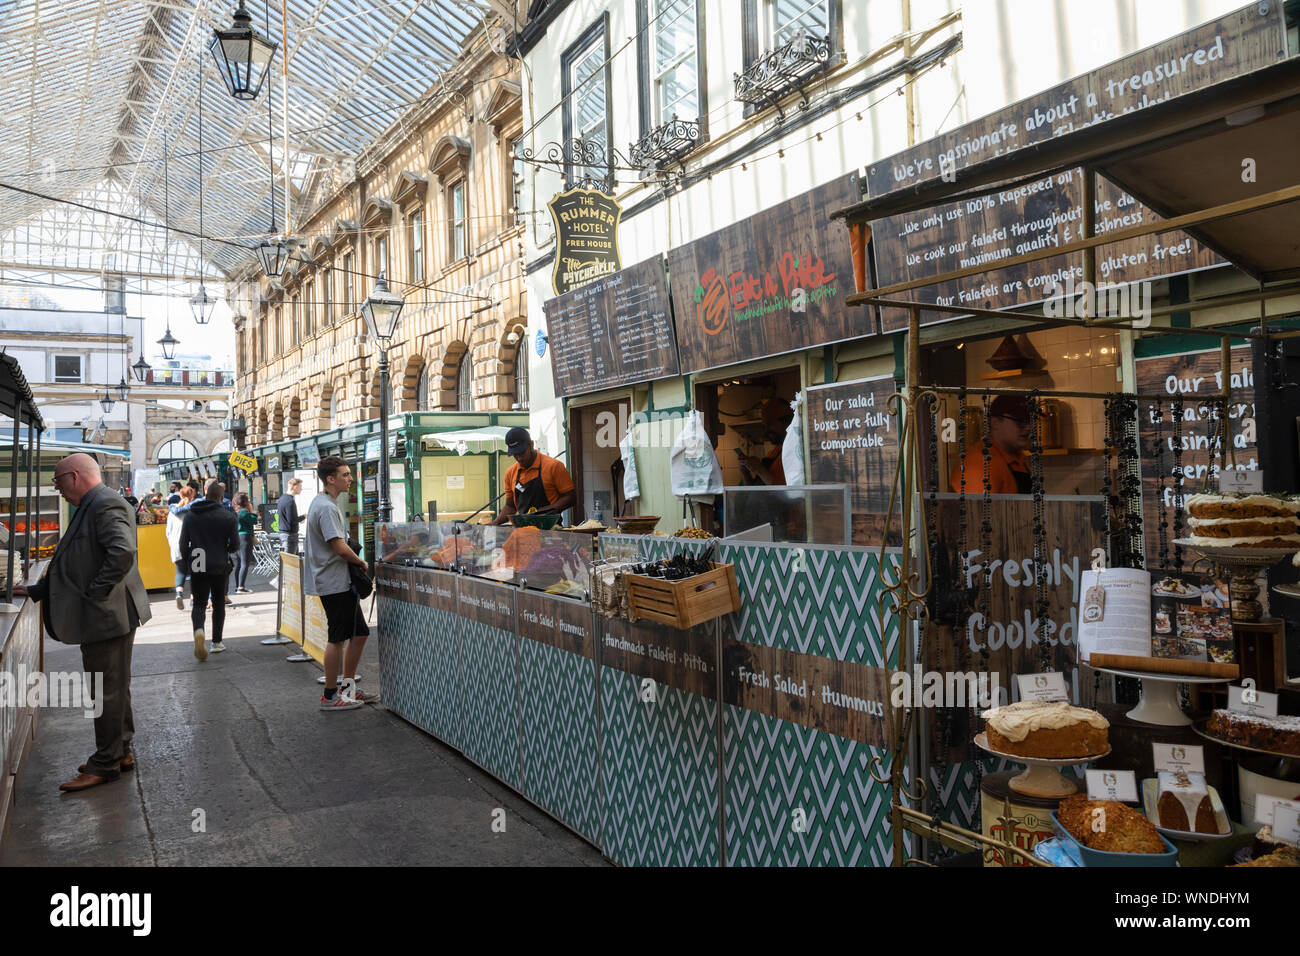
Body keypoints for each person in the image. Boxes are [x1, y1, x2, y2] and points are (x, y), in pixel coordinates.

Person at [14, 453, 152, 792]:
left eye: (58, 481)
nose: (57, 488)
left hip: (107, 615)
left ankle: (104, 764)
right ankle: (119, 751)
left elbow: (121, 552)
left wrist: (95, 594)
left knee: (104, 689)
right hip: (109, 613)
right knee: (114, 687)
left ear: (75, 477)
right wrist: (37, 589)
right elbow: (76, 560)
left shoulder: (104, 504)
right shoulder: (95, 503)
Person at [304, 456, 374, 711]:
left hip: (336, 581)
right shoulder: (326, 507)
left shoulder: (323, 503)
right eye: (345, 475)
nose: (351, 478)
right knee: (337, 637)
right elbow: (339, 547)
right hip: (335, 582)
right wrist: (361, 563)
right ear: (330, 479)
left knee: (359, 634)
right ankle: (330, 695)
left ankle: (346, 690)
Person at [181, 479, 239, 660]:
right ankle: (216, 642)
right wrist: (225, 549)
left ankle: (199, 631)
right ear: (221, 498)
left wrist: (188, 560)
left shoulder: (191, 515)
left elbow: (183, 543)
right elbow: (235, 545)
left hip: (198, 562)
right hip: (219, 563)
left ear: (206, 495)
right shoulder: (227, 516)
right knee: (219, 603)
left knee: (199, 603)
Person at [948, 394, 1032, 494]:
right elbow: (976, 509)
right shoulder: (979, 463)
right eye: (1020, 421)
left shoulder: (1017, 457)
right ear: (995, 422)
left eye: (1030, 421)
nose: (1028, 428)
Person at [490, 427, 576, 525]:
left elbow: (570, 497)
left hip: (551, 531)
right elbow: (510, 506)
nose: (519, 458)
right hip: (524, 532)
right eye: (515, 454)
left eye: (522, 453)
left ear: (531, 445)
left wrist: (541, 512)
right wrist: (494, 524)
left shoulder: (554, 466)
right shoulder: (510, 473)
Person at [736, 398, 793, 486]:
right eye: (764, 426)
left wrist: (759, 469)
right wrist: (745, 472)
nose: (766, 432)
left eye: (770, 425)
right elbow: (753, 492)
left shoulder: (795, 453)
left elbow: (786, 493)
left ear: (786, 422)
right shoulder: (774, 453)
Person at [165, 485, 196, 608]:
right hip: (194, 544)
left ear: (180, 496)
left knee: (180, 571)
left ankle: (179, 593)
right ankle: (193, 599)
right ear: (192, 495)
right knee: (196, 572)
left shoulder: (172, 512)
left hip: (177, 545)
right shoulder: (194, 510)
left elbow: (168, 531)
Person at [233, 491, 257, 594]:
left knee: (239, 563)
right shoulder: (243, 512)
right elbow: (254, 520)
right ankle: (241, 587)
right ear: (244, 501)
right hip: (245, 537)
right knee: (244, 563)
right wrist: (251, 510)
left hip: (238, 537)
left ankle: (238, 585)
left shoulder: (235, 511)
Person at [278, 478, 302, 555]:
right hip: (289, 536)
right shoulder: (290, 501)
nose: (301, 489)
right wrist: (304, 516)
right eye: (300, 486)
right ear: (294, 487)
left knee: (290, 562)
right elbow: (292, 520)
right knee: (290, 563)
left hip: (284, 534)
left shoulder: (282, 498)